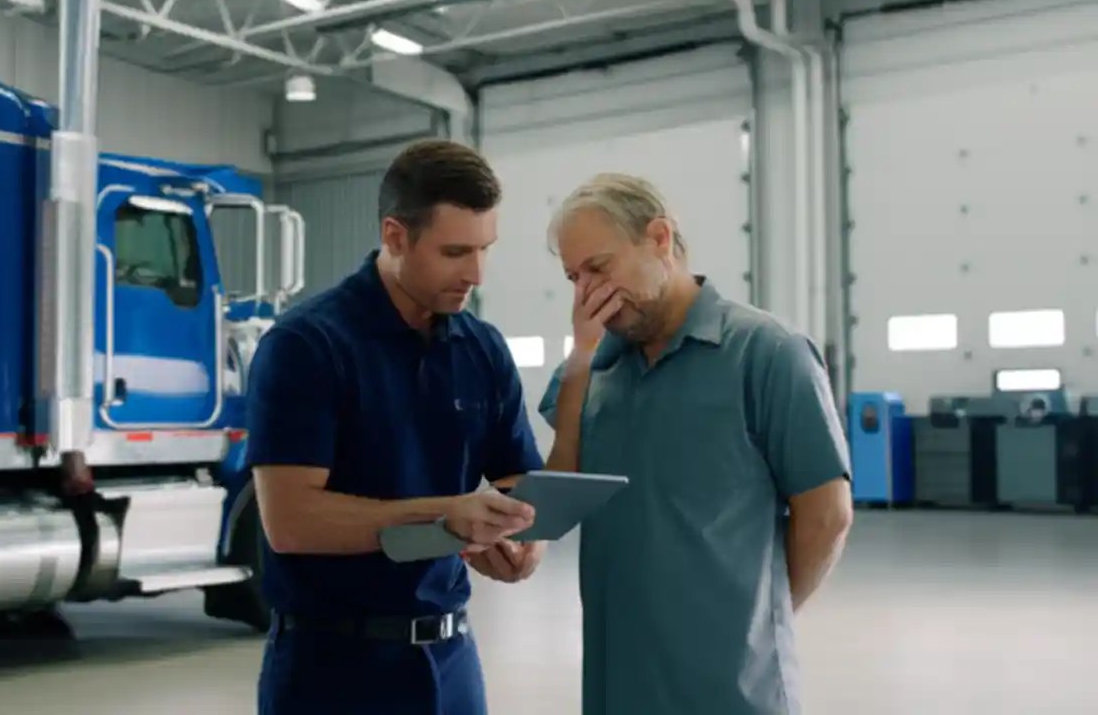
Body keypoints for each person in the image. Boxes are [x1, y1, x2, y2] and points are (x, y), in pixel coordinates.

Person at [242, 139, 548, 715]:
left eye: (486, 249)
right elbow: (291, 521)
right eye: (455, 252)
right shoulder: (306, 347)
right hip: (332, 671)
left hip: (454, 663)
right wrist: (444, 516)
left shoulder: (483, 350)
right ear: (395, 236)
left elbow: (520, 488)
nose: (476, 274)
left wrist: (521, 544)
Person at [538, 173, 854, 715]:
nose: (587, 294)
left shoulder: (767, 354)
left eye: (599, 267)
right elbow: (556, 499)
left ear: (659, 239)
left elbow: (826, 515)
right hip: (618, 685)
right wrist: (579, 363)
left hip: (733, 690)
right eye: (573, 277)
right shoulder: (594, 370)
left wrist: (753, 621)